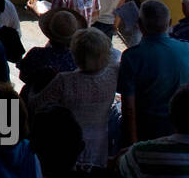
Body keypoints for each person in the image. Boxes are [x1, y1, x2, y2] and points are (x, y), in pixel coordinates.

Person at [27, 28, 120, 169]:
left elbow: (35, 105)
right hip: (99, 141)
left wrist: (34, 85)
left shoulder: (65, 80)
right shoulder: (113, 73)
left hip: (67, 142)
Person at [119, 0, 189, 144]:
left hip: (147, 135)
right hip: (183, 134)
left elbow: (128, 108)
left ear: (139, 25)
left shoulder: (131, 57)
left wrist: (133, 146)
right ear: (170, 22)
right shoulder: (188, 49)